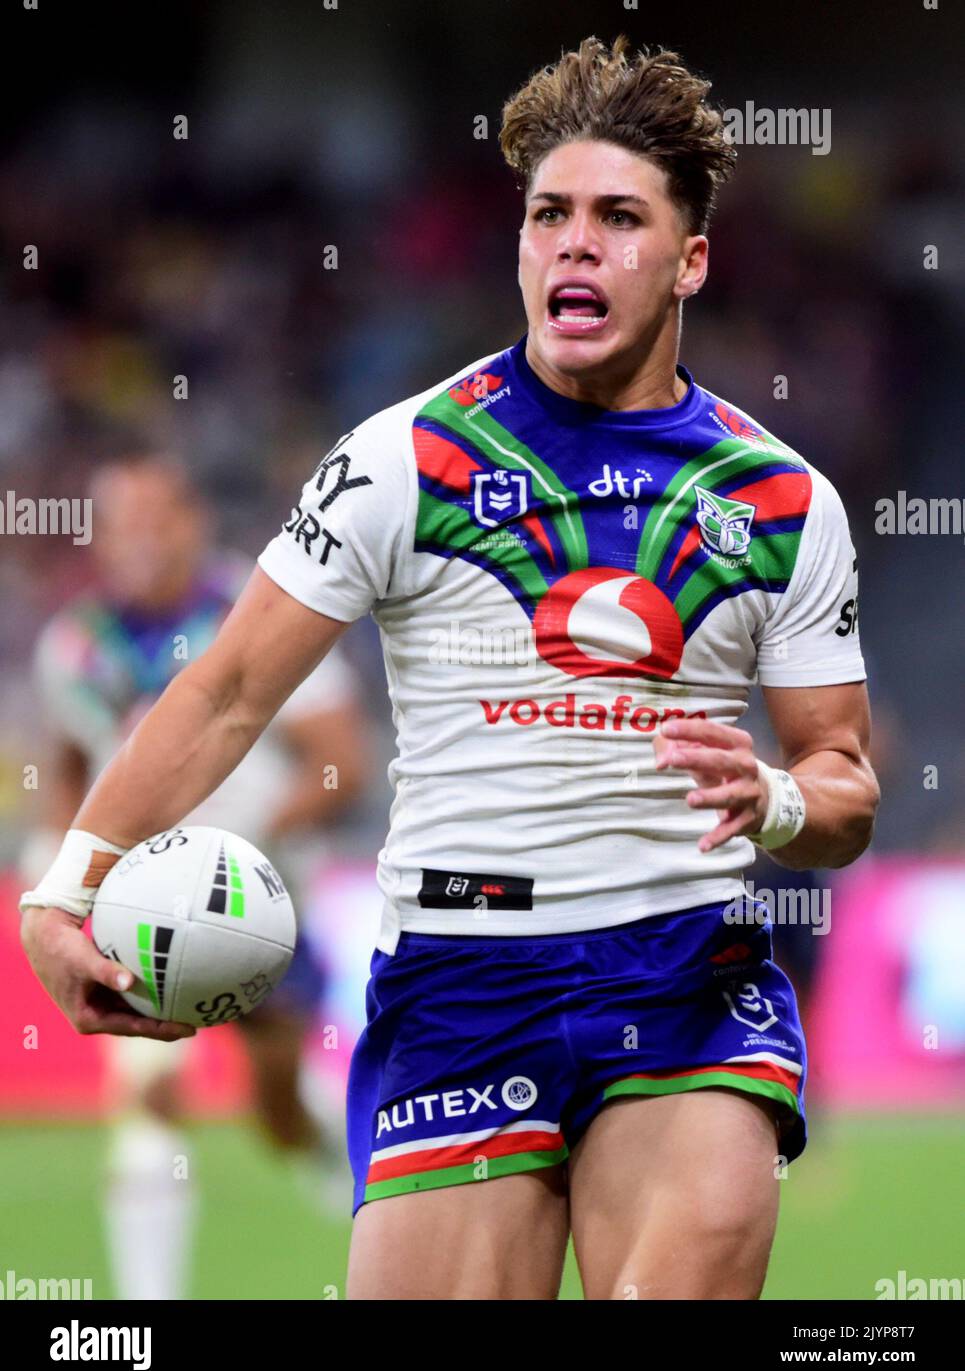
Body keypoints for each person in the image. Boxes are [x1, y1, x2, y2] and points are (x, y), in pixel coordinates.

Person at [20, 38, 879, 1300]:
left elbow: (843, 782)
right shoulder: (400, 457)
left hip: (686, 976)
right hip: (459, 980)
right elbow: (224, 689)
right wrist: (64, 888)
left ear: (690, 258)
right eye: (548, 216)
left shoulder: (782, 498)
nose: (573, 245)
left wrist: (779, 799)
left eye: (616, 217)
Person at [23, 453, 370, 1298]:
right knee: (153, 1092)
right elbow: (69, 765)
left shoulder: (261, 613)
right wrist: (58, 859)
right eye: (120, 520)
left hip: (255, 907)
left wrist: (240, 844)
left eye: (155, 517)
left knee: (275, 1114)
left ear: (191, 522)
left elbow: (341, 765)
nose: (138, 537)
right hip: (130, 907)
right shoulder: (74, 644)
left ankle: (315, 1129)